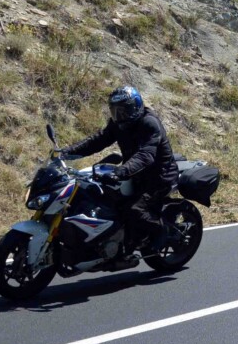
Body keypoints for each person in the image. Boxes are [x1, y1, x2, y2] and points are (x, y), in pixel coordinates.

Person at [60, 86, 179, 254]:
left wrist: (122, 170)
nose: (120, 116)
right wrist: (68, 152)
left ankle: (161, 230)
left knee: (134, 209)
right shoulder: (117, 125)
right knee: (103, 199)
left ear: (136, 106)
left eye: (124, 110)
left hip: (159, 177)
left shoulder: (149, 123)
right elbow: (98, 140)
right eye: (116, 111)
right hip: (134, 174)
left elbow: (146, 155)